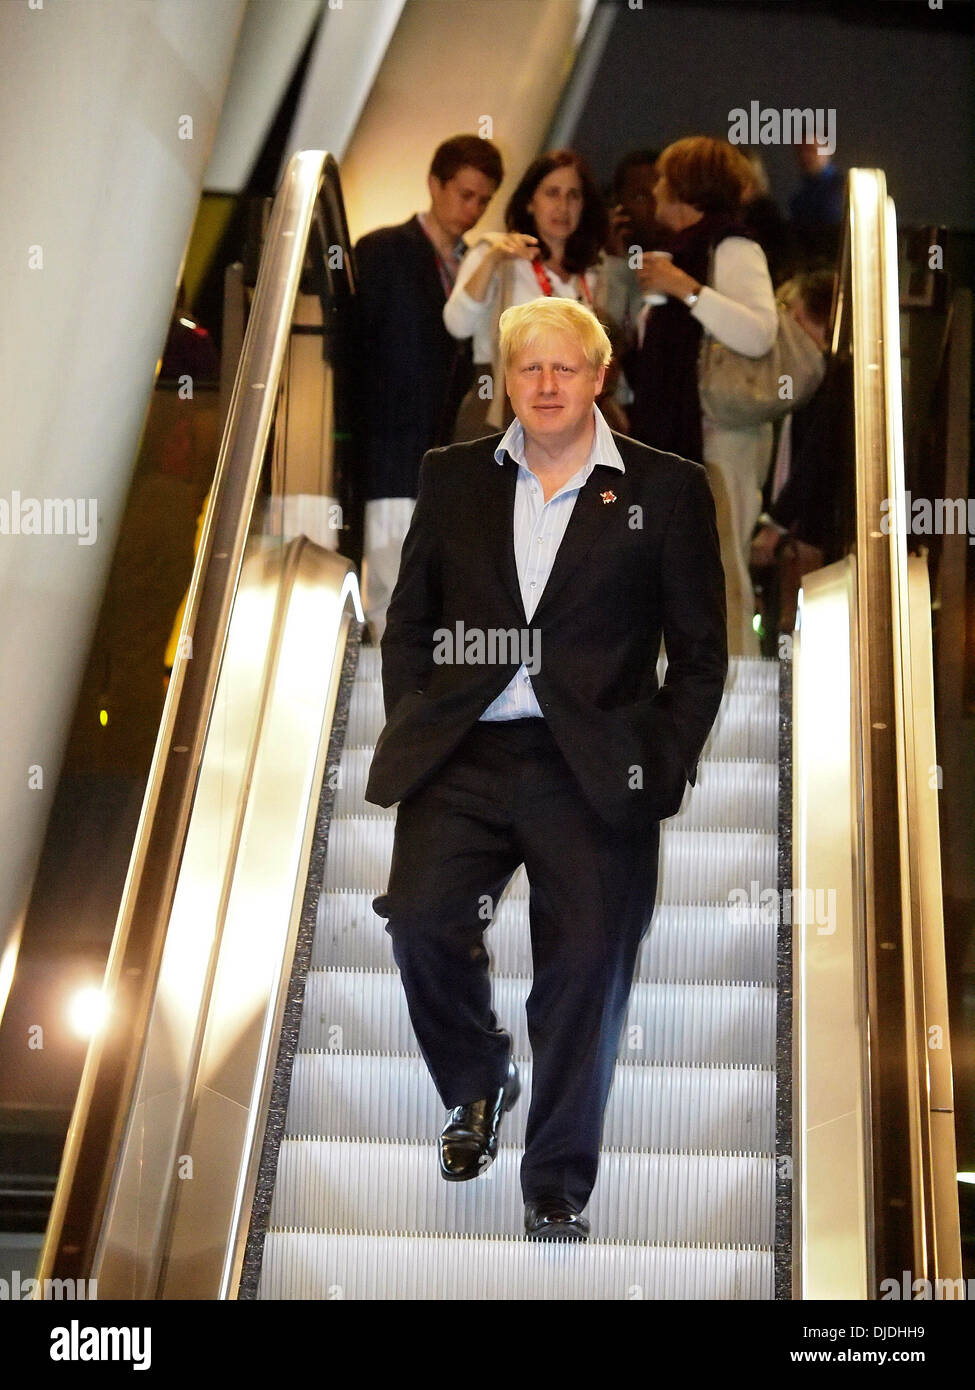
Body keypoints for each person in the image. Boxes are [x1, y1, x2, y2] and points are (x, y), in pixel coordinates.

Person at [364, 297, 727, 1242]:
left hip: (594, 769)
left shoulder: (667, 487)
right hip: (468, 755)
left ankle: (554, 1187)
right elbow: (409, 623)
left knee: (582, 977)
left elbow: (698, 654)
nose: (546, 385)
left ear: (597, 376)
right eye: (529, 369)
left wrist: (662, 761)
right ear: (506, 378)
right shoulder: (453, 478)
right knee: (420, 926)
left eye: (565, 368)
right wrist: (420, 717)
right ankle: (479, 1082)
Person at [624, 135, 778, 657]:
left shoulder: (732, 246)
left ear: (688, 188)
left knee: (722, 562)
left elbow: (759, 332)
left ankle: (735, 677)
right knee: (686, 564)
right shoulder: (690, 250)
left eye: (666, 179)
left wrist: (684, 288)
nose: (657, 189)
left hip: (720, 434)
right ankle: (688, 679)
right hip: (685, 433)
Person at [354, 133, 503, 640]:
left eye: (483, 200)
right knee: (389, 578)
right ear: (434, 184)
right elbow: (360, 349)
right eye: (465, 194)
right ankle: (389, 688)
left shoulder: (476, 264)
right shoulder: (382, 251)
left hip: (447, 444)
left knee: (435, 581)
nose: (474, 208)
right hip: (391, 443)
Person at [443, 149, 608, 440]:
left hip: (570, 411)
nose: (563, 206)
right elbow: (457, 325)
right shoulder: (496, 253)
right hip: (500, 402)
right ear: (530, 202)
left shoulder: (592, 270)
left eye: (573, 196)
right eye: (552, 193)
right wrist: (493, 260)